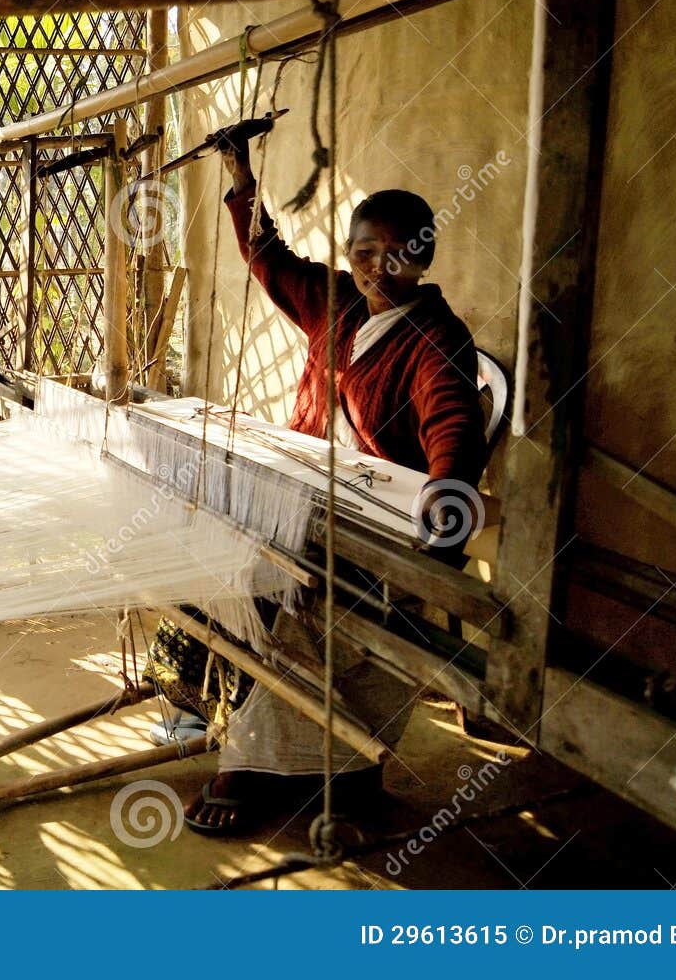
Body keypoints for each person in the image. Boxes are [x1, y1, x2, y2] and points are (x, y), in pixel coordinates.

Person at [159, 128, 488, 836]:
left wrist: (444, 514)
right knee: (207, 566)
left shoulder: (436, 340)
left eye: (398, 254)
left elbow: (453, 425)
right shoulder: (334, 303)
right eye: (365, 253)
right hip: (304, 500)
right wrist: (238, 173)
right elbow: (268, 257)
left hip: (371, 526)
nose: (378, 269)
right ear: (349, 255)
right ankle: (257, 735)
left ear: (423, 257)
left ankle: (255, 766)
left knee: (283, 605)